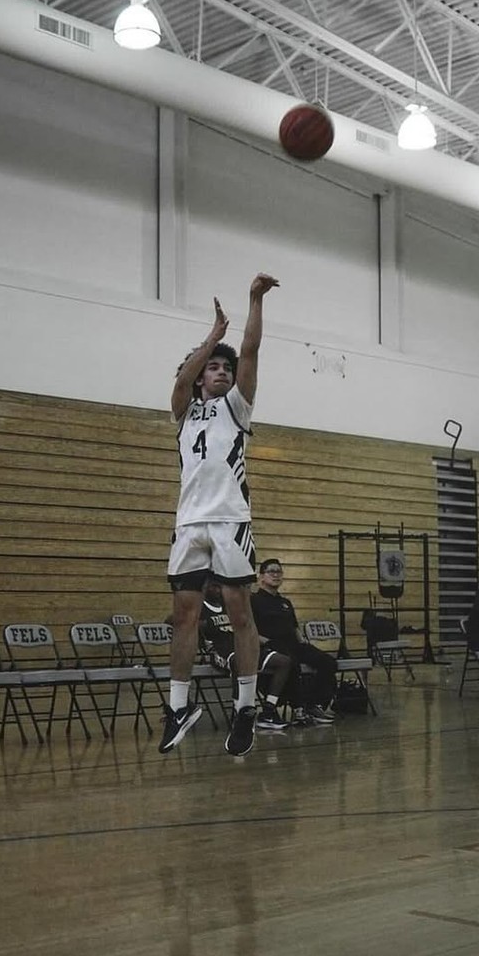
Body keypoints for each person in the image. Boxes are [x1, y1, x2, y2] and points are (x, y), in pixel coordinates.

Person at [159, 273, 279, 758]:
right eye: (213, 367)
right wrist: (211, 337)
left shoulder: (236, 407)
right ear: (199, 375)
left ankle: (246, 707)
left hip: (230, 520)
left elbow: (249, 351)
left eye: (225, 368)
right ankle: (178, 707)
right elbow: (180, 381)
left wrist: (254, 300)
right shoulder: (183, 411)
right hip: (190, 523)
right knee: (184, 615)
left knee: (239, 611)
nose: (223, 371)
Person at [250, 559, 337, 725]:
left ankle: (314, 704)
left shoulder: (285, 603)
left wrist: (304, 643)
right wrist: (265, 642)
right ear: (261, 576)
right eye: (271, 571)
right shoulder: (254, 600)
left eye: (279, 572)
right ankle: (298, 709)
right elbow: (250, 630)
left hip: (293, 644)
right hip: (272, 645)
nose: (276, 575)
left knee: (328, 662)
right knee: (292, 663)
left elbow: (295, 627)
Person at [198, 578, 291, 731]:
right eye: (214, 587)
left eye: (220, 587)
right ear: (205, 588)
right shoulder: (198, 607)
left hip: (242, 645)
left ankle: (268, 710)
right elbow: (172, 621)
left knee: (283, 661)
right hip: (219, 650)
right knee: (239, 662)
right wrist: (200, 625)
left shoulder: (229, 605)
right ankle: (238, 712)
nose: (218, 590)